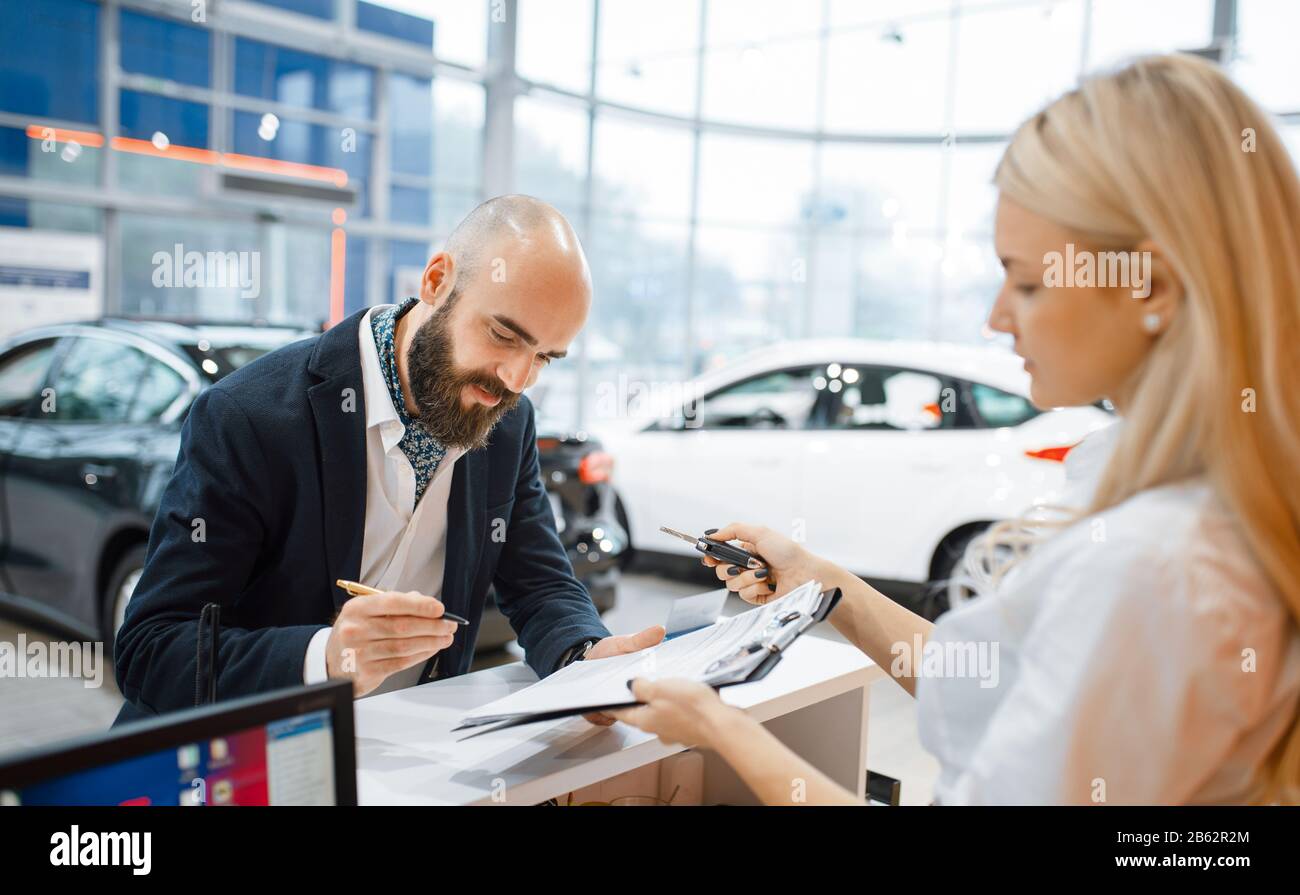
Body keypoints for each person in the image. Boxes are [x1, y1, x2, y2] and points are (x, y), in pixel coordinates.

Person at [612, 54, 1300, 805]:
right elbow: (993, 690)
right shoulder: (1173, 500)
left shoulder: (1153, 563)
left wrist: (720, 727)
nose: (997, 316)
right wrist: (820, 578)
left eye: (1028, 281)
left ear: (1150, 286)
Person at [114, 195, 663, 722]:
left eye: (545, 357)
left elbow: (540, 584)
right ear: (435, 281)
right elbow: (150, 648)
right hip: (248, 760)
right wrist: (326, 659)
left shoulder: (509, 419)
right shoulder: (247, 417)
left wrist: (586, 657)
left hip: (406, 769)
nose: (516, 379)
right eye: (502, 335)